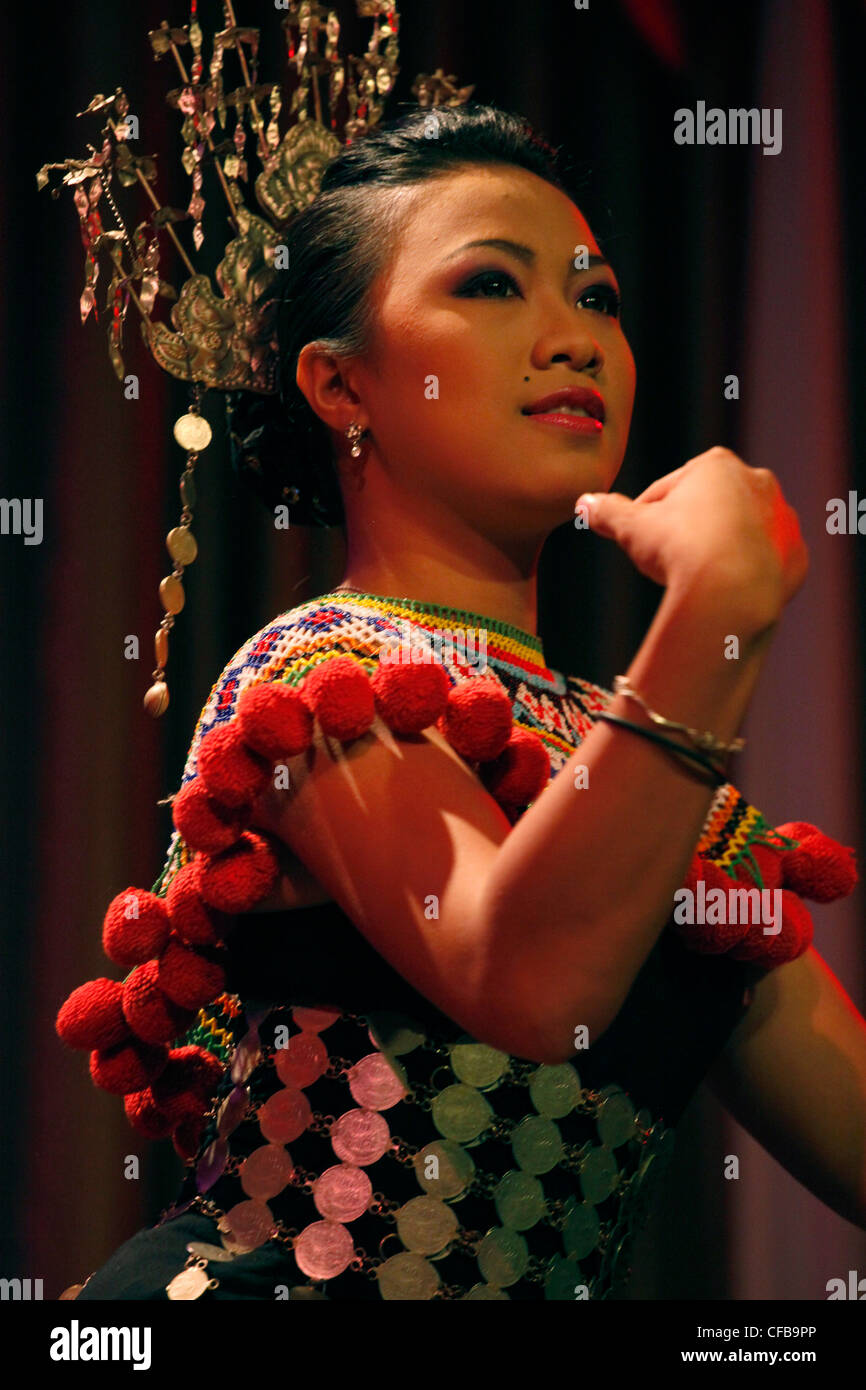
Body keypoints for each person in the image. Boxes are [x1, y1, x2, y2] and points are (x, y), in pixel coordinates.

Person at [65, 104, 864, 1302]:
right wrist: (714, 615)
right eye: (491, 285)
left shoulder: (669, 801)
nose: (572, 337)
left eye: (595, 297)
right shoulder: (314, 676)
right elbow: (527, 977)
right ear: (343, 386)